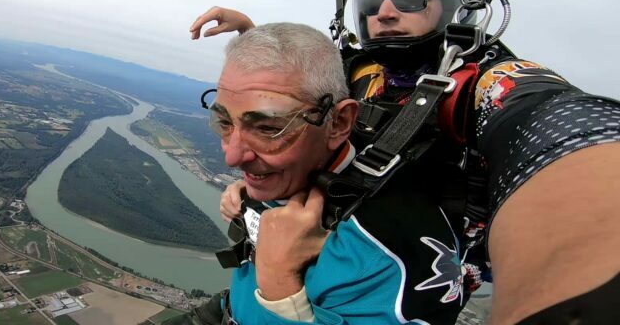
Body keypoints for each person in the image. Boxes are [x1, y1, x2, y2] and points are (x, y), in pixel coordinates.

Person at [191, 0, 620, 324]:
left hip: (414, 263)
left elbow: (558, 122)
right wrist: (252, 35)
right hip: (326, 249)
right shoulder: (362, 70)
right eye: (372, 2)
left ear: (457, 7)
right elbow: (287, 90)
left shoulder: (486, 82)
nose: (385, 12)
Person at [172, 22, 473, 324]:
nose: (232, 156)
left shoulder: (387, 252)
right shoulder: (301, 165)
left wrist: (279, 282)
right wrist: (248, 193)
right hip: (226, 310)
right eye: (225, 123)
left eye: (267, 128)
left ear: (339, 123)